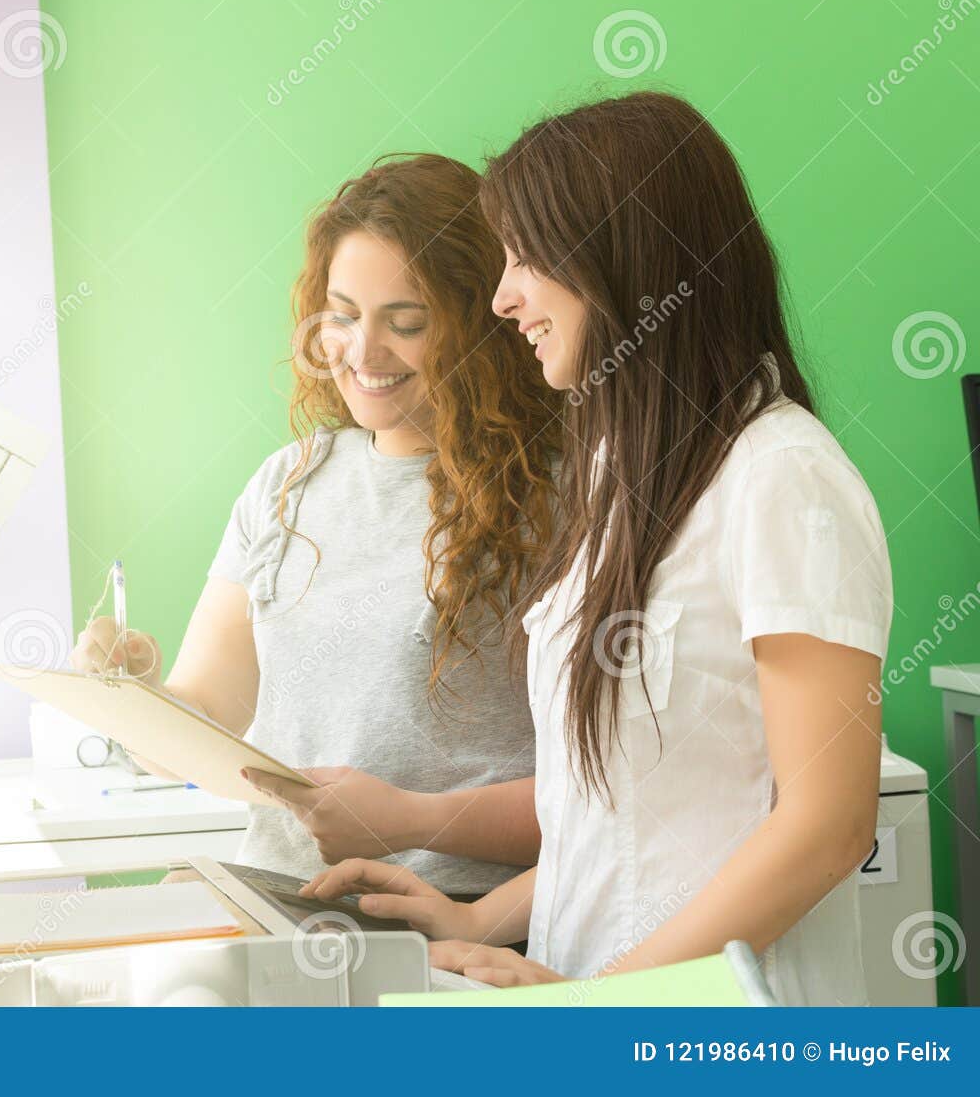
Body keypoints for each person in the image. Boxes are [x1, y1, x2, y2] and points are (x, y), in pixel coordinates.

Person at [304, 92, 892, 1005]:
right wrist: (476, 919)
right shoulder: (625, 483)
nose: (503, 297)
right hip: (598, 1001)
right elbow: (621, 821)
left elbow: (828, 823)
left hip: (712, 1016)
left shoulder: (782, 477)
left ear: (621, 259)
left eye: (528, 260)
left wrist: (599, 1001)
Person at [70, 154, 558, 894]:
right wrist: (130, 698)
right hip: (283, 897)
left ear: (479, 319)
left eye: (408, 321)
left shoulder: (553, 495)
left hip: (454, 912)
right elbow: (203, 727)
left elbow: (605, 798)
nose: (363, 352)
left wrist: (414, 819)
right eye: (343, 314)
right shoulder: (286, 484)